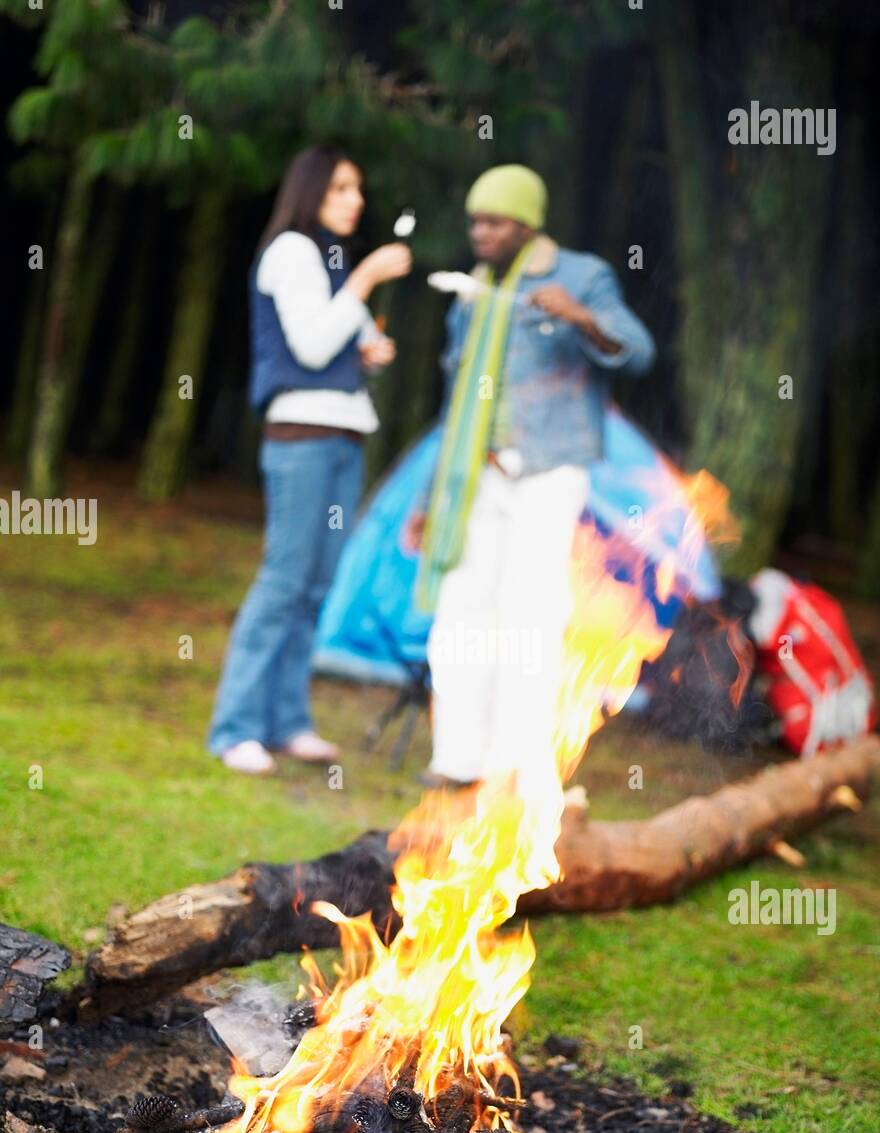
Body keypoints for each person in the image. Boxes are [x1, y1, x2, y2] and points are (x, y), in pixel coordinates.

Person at [406, 164, 654, 790]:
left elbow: (639, 350)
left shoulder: (580, 276)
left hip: (549, 469)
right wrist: (426, 496)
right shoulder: (475, 289)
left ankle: (513, 766)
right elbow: (457, 397)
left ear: (526, 223)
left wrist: (580, 317)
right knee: (462, 612)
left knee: (530, 616)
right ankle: (456, 759)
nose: (479, 233)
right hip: (476, 475)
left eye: (493, 222)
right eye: (474, 222)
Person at [209, 146, 411, 774]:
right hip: (301, 437)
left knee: (316, 586)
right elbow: (310, 342)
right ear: (312, 190)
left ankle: (287, 721)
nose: (356, 200)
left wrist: (369, 349)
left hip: (342, 434)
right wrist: (367, 280)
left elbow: (338, 342)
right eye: (342, 188)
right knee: (284, 579)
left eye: (358, 189)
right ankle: (235, 727)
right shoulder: (292, 251)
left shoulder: (325, 257)